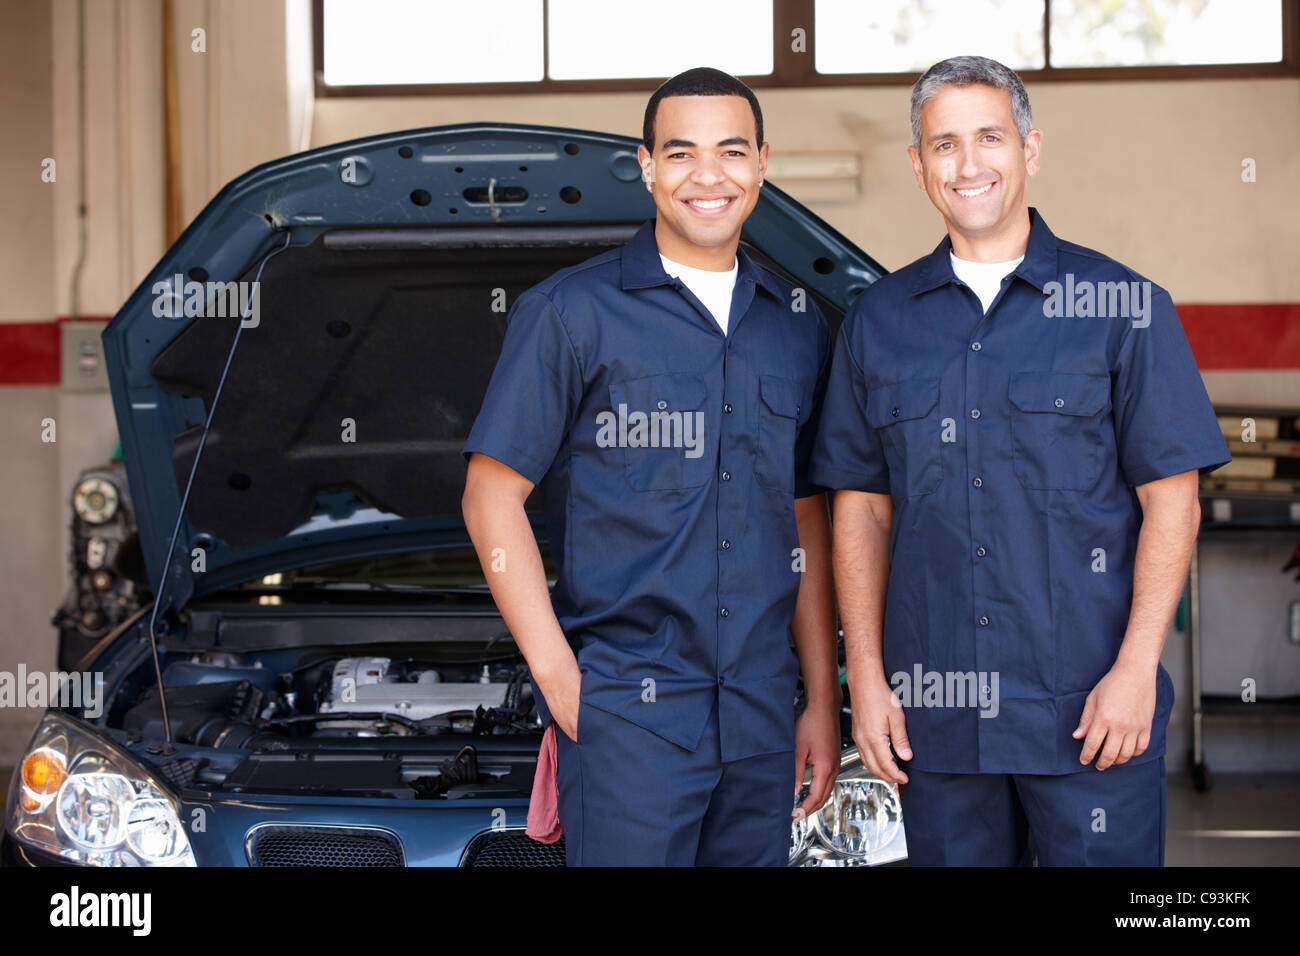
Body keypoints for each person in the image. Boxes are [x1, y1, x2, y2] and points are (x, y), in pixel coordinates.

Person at [809, 55, 1230, 866]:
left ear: (1030, 150)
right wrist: (863, 679)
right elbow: (858, 509)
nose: (969, 165)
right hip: (936, 722)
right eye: (944, 145)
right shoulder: (877, 322)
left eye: (990, 139)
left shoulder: (1124, 309)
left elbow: (1173, 503)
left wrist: (1138, 669)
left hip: (1091, 715)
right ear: (918, 164)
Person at [461, 67, 841, 866]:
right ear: (646, 166)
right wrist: (557, 672)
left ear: (763, 163)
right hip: (630, 717)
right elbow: (491, 497)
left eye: (731, 152)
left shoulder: (797, 325)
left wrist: (821, 698)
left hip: (761, 713)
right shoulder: (571, 312)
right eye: (682, 153)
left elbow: (804, 517)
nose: (709, 176)